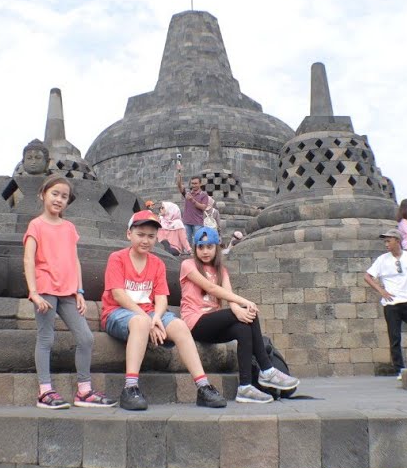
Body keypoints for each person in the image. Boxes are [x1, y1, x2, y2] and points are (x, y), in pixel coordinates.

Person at [102, 210, 226, 411]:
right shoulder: (117, 258)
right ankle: (130, 388)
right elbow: (118, 295)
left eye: (151, 236)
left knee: (179, 326)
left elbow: (161, 298)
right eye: (141, 235)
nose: (146, 240)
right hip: (118, 312)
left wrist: (157, 318)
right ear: (129, 234)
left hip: (150, 314)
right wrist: (148, 320)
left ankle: (203, 386)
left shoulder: (157, 263)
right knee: (141, 322)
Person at [23, 176, 116, 409]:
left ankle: (84, 391)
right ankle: (45, 391)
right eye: (55, 194)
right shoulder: (36, 225)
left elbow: (74, 260)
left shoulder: (69, 228)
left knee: (86, 337)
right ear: (43, 194)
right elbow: (28, 259)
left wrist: (80, 291)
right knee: (46, 338)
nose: (59, 199)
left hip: (68, 291)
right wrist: (33, 292)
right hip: (45, 288)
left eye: (64, 196)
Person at [179, 227, 300, 403]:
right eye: (201, 247)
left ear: (216, 248)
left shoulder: (222, 271)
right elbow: (211, 288)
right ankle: (267, 370)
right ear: (195, 248)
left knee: (244, 328)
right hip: (194, 322)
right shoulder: (188, 265)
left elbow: (228, 294)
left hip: (213, 325)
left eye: (209, 247)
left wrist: (238, 307)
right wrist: (243, 303)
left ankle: (245, 387)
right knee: (250, 312)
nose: (205, 251)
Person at [363, 231, 407, 378]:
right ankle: (399, 369)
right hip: (391, 304)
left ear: (397, 241)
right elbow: (367, 276)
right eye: (385, 242)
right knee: (394, 337)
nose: (386, 244)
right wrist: (382, 291)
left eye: (389, 241)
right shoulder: (382, 260)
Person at [175, 166, 214, 248]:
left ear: (200, 184)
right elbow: (179, 186)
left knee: (197, 243)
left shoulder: (204, 195)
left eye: (195, 183)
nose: (193, 185)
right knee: (186, 243)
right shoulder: (187, 193)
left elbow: (203, 207)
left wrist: (192, 200)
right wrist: (179, 173)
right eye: (192, 183)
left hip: (197, 223)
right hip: (187, 222)